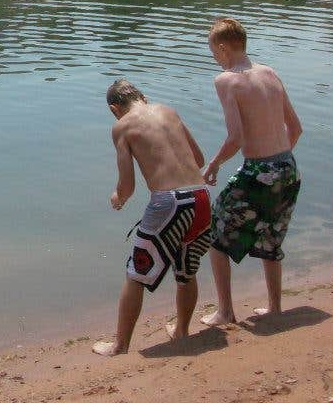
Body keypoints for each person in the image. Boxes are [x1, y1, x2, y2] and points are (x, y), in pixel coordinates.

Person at [92, 79, 213, 356]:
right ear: (142, 97)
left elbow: (127, 186)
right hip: (201, 197)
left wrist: (118, 198)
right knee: (186, 270)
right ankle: (181, 330)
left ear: (114, 109)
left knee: (136, 273)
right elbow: (199, 159)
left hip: (169, 203)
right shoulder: (169, 111)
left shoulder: (122, 126)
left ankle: (120, 345)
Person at [200, 18, 303, 325]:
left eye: (213, 52)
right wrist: (276, 161)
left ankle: (225, 312)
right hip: (288, 168)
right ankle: (274, 307)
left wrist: (213, 164)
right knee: (271, 237)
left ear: (222, 48)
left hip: (259, 171)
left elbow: (236, 138)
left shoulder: (226, 80)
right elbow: (295, 128)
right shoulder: (270, 72)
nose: (215, 59)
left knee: (214, 231)